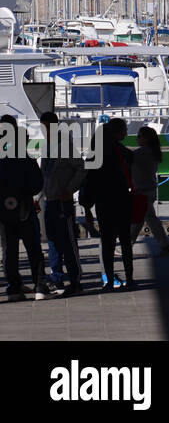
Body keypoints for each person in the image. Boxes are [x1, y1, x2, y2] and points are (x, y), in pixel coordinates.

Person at [0, 115, 50, 300]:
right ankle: (39, 285)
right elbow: (37, 182)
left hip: (4, 211)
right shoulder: (22, 154)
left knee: (9, 250)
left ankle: (13, 287)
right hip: (24, 207)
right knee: (33, 248)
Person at [82, 118, 134, 291]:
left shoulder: (95, 154)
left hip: (103, 202)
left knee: (107, 243)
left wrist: (86, 206)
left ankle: (110, 280)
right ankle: (130, 278)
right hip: (122, 200)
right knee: (125, 242)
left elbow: (88, 180)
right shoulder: (123, 152)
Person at [39, 111, 86, 294]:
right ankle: (57, 278)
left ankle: (75, 280)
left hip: (62, 201)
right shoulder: (46, 146)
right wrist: (38, 197)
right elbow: (44, 174)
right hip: (49, 201)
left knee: (67, 241)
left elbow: (81, 168)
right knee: (52, 242)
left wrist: (70, 190)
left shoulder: (65, 145)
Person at [129, 126, 169, 257]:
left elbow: (129, 156)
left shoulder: (143, 153)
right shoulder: (152, 152)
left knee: (144, 219)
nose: (137, 138)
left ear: (146, 138)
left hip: (143, 191)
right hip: (148, 190)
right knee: (142, 219)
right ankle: (165, 245)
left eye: (139, 135)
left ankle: (166, 245)